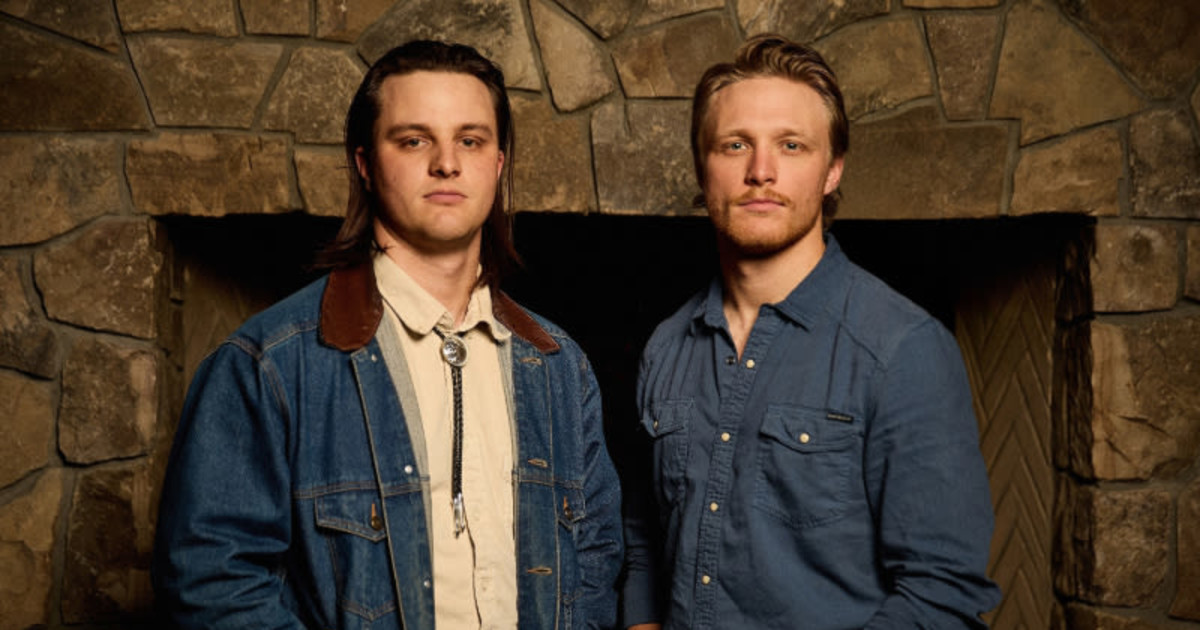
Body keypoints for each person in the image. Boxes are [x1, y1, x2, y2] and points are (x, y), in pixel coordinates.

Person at [153, 40, 623, 630]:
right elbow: (211, 583)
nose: (447, 163)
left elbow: (596, 559)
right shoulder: (269, 364)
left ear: (498, 164)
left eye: (470, 140)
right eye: (413, 140)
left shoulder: (558, 366)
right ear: (366, 164)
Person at [621, 34, 1001, 629]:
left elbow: (941, 593)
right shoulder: (667, 347)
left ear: (833, 170)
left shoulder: (903, 350)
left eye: (791, 145)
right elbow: (646, 538)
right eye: (735, 144)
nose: (760, 171)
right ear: (701, 166)